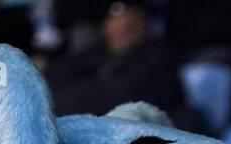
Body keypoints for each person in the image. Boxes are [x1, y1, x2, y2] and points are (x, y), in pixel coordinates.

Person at [47, 1, 198, 128]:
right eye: (117, 15)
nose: (126, 23)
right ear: (104, 24)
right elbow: (56, 100)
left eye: (135, 16)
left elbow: (130, 94)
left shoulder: (162, 56)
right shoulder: (77, 61)